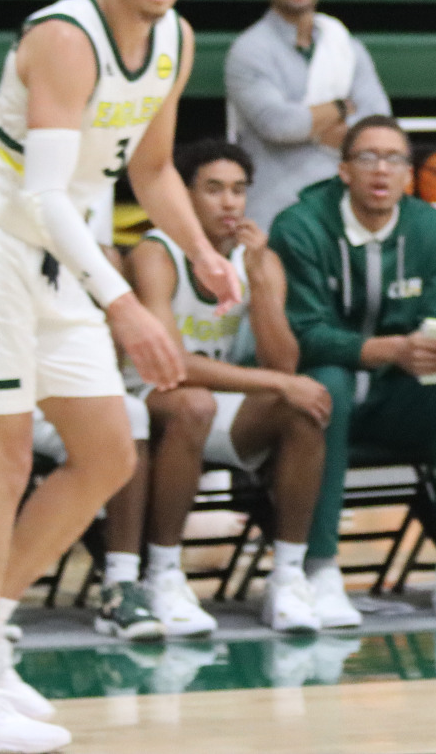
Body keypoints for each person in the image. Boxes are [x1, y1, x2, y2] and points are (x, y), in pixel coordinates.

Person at [0, 0, 208, 754]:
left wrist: (200, 251)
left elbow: (153, 168)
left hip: (57, 253)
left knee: (108, 452)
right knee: (2, 455)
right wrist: (123, 301)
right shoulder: (63, 37)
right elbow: (41, 192)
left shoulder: (177, 40)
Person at [271, 115, 436, 628]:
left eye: (394, 159)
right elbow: (302, 334)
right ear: (343, 170)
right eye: (368, 157)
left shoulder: (431, 228)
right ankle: (321, 570)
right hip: (325, 387)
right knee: (325, 385)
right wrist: (387, 349)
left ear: (409, 174)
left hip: (395, 397)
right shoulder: (299, 227)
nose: (382, 169)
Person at [115, 138, 333, 635]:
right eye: (214, 189)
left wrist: (260, 285)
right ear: (185, 196)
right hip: (147, 398)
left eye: (238, 190)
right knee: (194, 404)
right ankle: (162, 575)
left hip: (217, 403)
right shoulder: (156, 252)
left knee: (305, 407)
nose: (229, 202)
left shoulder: (258, 258)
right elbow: (170, 365)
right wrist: (277, 381)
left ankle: (288, 577)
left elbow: (285, 362)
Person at [225, 0, 392, 233]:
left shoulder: (344, 45)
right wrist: (341, 108)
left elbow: (377, 122)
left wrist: (312, 124)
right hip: (274, 210)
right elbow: (280, 125)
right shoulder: (249, 50)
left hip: (345, 206)